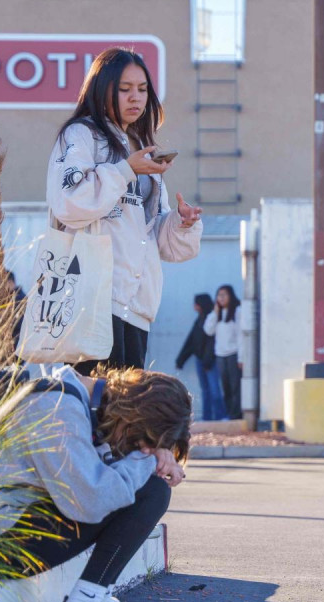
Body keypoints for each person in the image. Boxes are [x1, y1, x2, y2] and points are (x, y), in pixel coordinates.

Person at [0, 366, 191, 602]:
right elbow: (92, 500)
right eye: (141, 441)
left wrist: (152, 452)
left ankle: (92, 601)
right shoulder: (56, 407)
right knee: (151, 489)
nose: (141, 450)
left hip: (3, 535)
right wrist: (147, 461)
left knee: (147, 485)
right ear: (134, 417)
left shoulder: (77, 402)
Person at [48, 47, 202, 375]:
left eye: (143, 89)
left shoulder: (138, 144)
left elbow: (148, 235)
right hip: (91, 296)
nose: (136, 98)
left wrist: (180, 223)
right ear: (102, 88)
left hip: (134, 303)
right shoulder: (80, 135)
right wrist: (125, 171)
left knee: (128, 416)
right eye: (125, 89)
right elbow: (69, 204)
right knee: (95, 409)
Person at [176, 293, 227, 421]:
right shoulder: (199, 320)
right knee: (205, 390)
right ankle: (207, 417)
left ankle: (221, 416)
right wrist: (181, 360)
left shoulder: (211, 318)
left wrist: (207, 361)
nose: (194, 306)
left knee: (215, 390)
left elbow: (212, 342)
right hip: (201, 360)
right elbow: (191, 342)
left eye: (196, 303)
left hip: (209, 361)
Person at [203, 285, 242, 421]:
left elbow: (241, 336)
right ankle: (229, 414)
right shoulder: (216, 314)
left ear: (230, 296)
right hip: (220, 355)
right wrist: (215, 312)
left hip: (234, 354)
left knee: (235, 386)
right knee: (225, 387)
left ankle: (236, 415)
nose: (221, 298)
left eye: (224, 295)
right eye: (219, 295)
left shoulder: (237, 311)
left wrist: (241, 358)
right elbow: (208, 330)